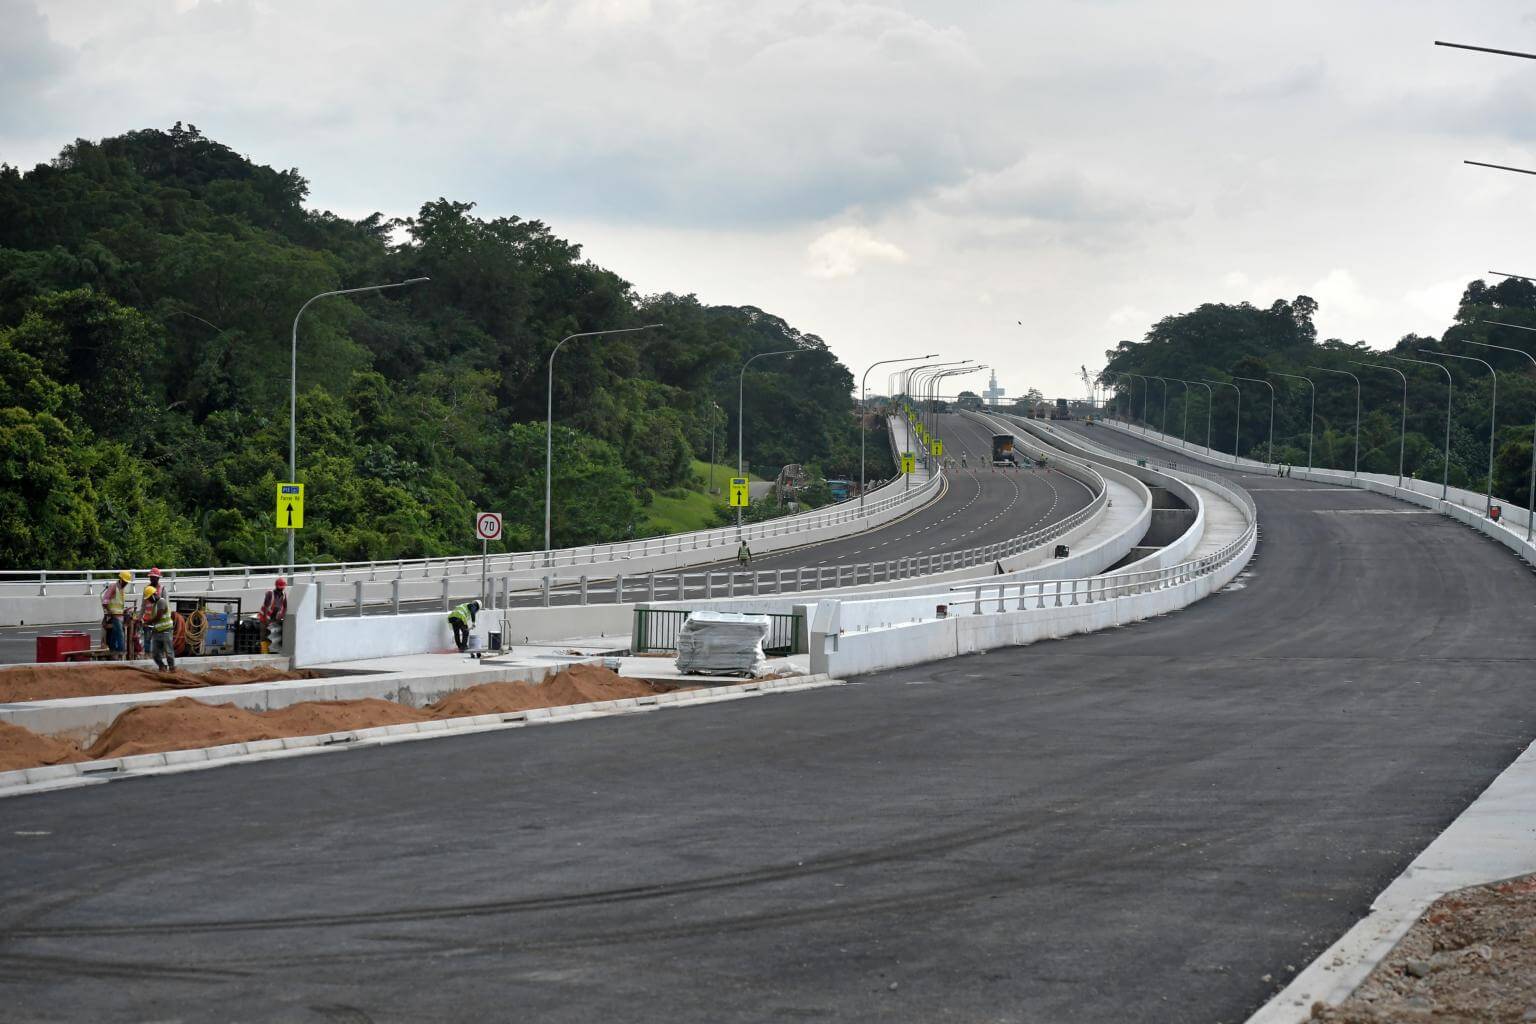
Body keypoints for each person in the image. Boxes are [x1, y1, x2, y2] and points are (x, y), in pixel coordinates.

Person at [143, 585, 175, 672]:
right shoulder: (155, 606)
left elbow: (159, 617)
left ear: (153, 595)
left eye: (149, 598)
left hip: (166, 631)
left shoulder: (161, 602)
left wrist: (147, 622)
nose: (149, 600)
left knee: (168, 651)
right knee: (155, 653)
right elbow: (156, 620)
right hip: (158, 632)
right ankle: (162, 666)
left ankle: (172, 668)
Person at [101, 570, 131, 660]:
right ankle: (120, 651)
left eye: (127, 582)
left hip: (120, 615)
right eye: (125, 582)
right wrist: (110, 611)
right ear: (120, 579)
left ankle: (114, 650)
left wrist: (124, 610)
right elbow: (105, 601)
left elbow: (118, 604)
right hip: (113, 616)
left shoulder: (122, 590)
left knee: (114, 635)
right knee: (119, 634)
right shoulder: (113, 587)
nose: (126, 584)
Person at [259, 578, 288, 652]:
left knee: (270, 635)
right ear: (276, 586)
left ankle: (269, 650)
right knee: (263, 635)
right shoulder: (270, 593)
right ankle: (264, 652)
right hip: (264, 617)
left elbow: (285, 607)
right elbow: (266, 607)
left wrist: (281, 615)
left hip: (274, 618)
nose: (281, 589)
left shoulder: (284, 594)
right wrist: (266, 620)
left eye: (282, 587)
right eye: (280, 587)